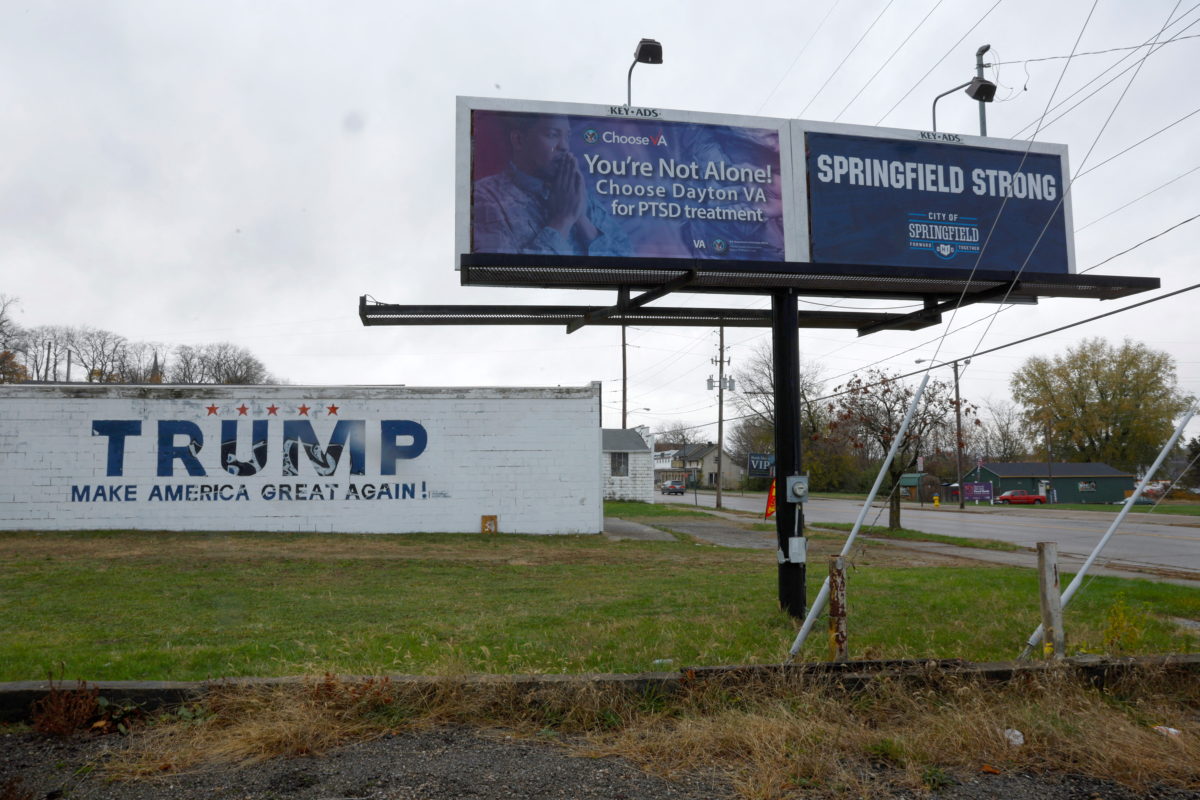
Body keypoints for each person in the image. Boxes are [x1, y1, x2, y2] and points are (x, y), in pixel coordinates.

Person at [473, 114, 628, 256]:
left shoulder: (579, 195)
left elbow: (626, 260)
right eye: (553, 135)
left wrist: (581, 219)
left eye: (567, 137)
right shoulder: (484, 197)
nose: (564, 146)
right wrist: (563, 220)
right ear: (518, 140)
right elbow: (514, 271)